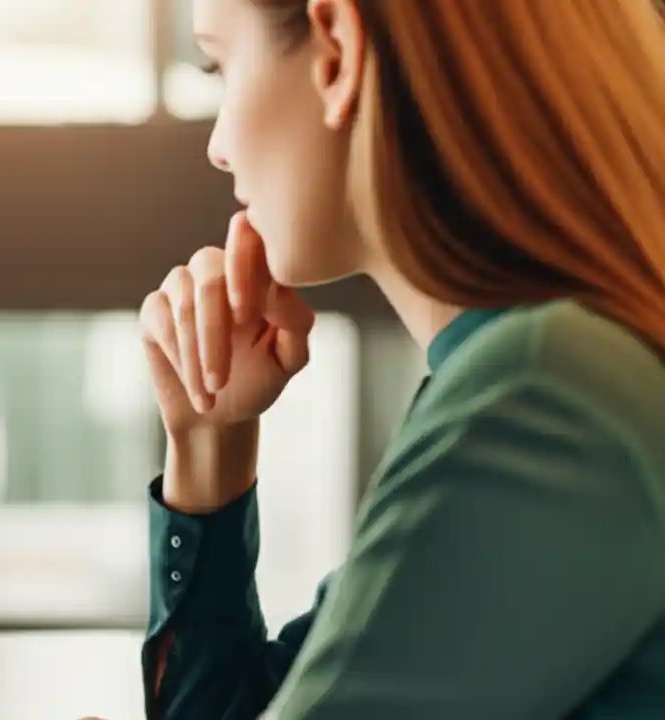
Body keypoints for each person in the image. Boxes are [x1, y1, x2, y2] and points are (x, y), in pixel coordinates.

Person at [132, 0, 665, 717]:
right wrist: (209, 435)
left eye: (219, 64)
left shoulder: (544, 400)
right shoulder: (538, 375)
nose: (218, 147)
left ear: (337, 50)